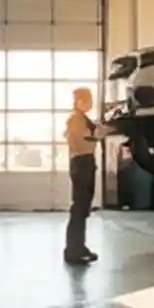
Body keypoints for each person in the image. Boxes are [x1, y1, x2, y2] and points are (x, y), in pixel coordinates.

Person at [63, 87, 105, 264]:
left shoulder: (82, 119)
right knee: (80, 207)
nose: (90, 103)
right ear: (79, 101)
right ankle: (74, 249)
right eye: (87, 99)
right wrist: (98, 136)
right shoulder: (76, 120)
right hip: (82, 163)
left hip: (84, 163)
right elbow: (81, 143)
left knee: (83, 207)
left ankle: (79, 246)